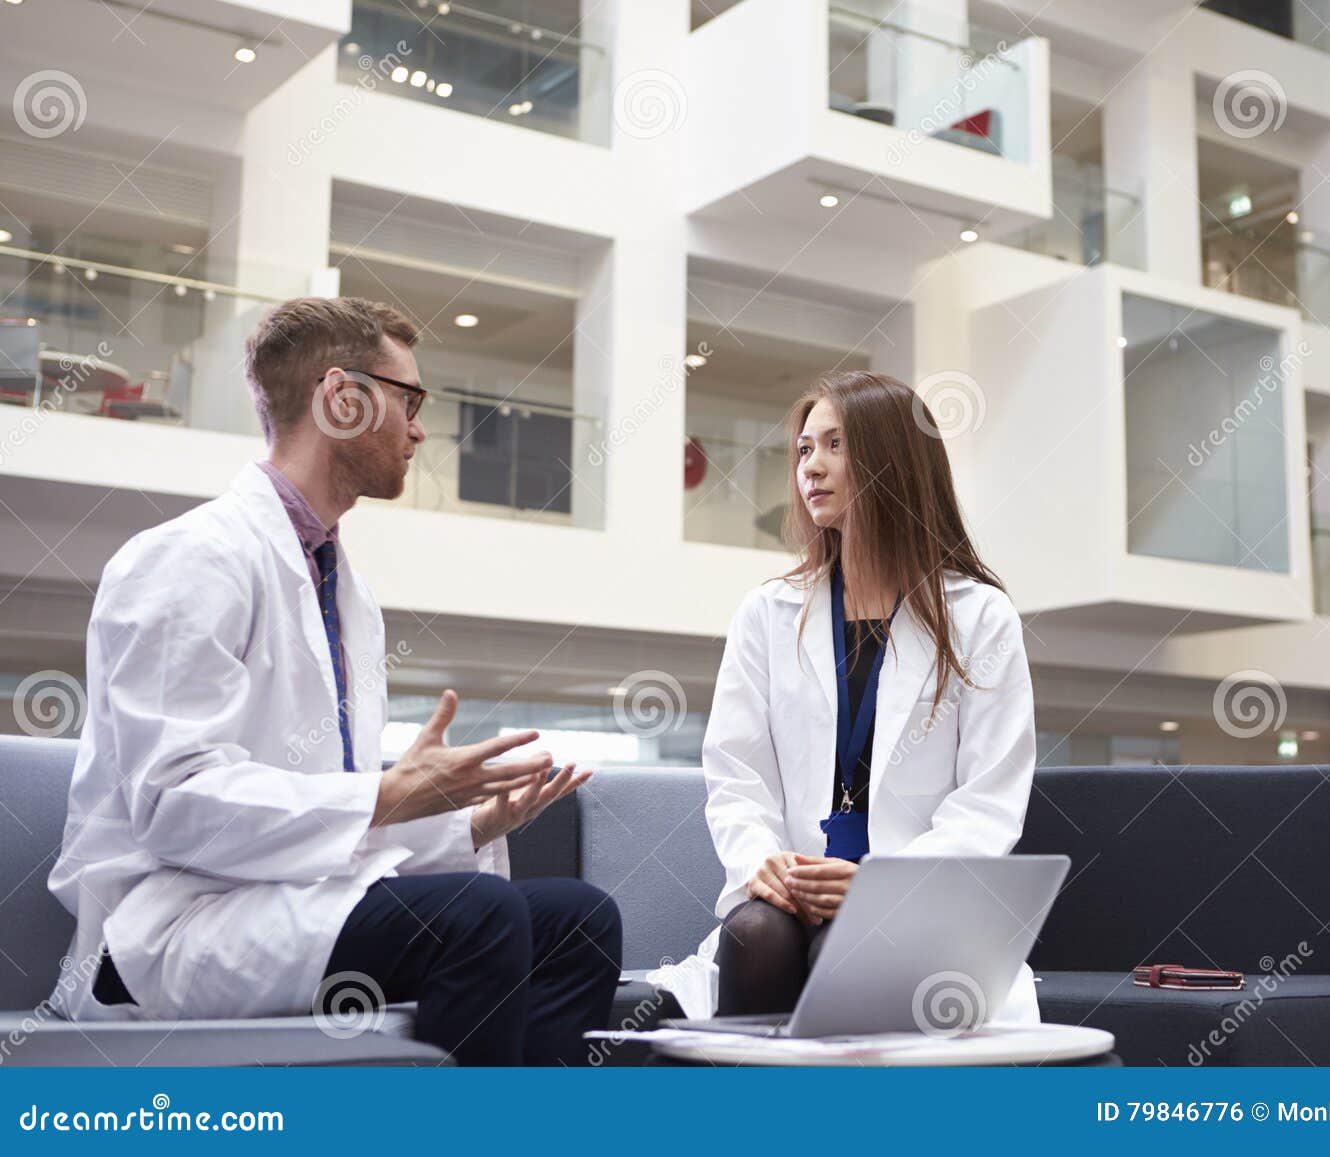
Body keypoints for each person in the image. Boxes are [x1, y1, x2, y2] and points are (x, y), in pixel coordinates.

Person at [46, 297, 621, 1065]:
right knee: (478, 915)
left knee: (580, 920)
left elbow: (323, 821)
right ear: (341, 397)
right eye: (409, 399)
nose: (420, 427)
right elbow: (174, 806)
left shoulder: (346, 592)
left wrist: (462, 825)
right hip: (167, 927)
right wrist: (387, 793)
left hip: (283, 902)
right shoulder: (187, 558)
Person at [667, 369, 1037, 1021]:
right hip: (791, 890)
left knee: (858, 937)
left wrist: (878, 883)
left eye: (835, 445)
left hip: (915, 897)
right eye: (805, 448)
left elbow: (988, 800)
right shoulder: (768, 612)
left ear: (891, 456)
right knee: (754, 936)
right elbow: (736, 774)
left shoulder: (980, 617)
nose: (812, 465)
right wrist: (764, 865)